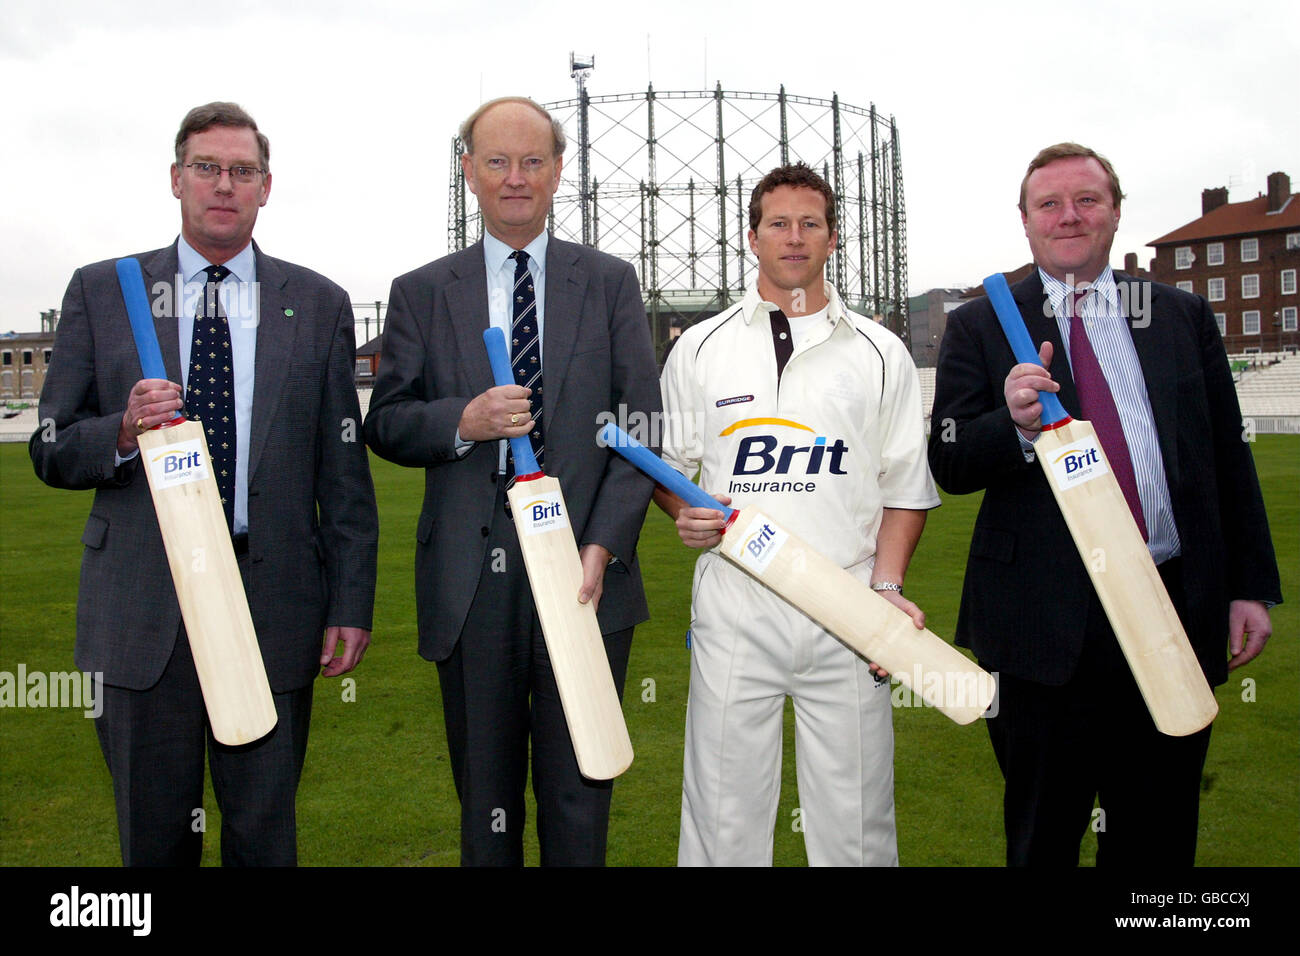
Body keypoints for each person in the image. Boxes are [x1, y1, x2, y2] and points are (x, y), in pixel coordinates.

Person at [29, 102, 378, 866]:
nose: (225, 185)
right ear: (177, 179)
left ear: (266, 186)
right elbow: (51, 447)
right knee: (153, 845)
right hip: (142, 610)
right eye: (208, 168)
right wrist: (120, 430)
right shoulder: (103, 291)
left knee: (263, 837)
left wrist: (350, 602)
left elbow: (343, 474)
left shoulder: (316, 303)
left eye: (242, 171)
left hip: (272, 606)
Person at [928, 143, 1282, 866]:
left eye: (1086, 200)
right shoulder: (980, 323)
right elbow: (952, 459)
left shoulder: (1179, 315)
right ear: (1025, 221)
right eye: (1049, 204)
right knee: (1041, 837)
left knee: (1156, 838)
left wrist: (1248, 586)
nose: (1069, 216)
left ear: (1115, 212)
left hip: (1170, 607)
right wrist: (1016, 425)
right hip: (1039, 627)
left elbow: (1226, 456)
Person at [364, 97, 661, 866]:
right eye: (496, 161)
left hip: (584, 573)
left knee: (580, 795)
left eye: (532, 161)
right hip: (473, 576)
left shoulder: (608, 282)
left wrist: (604, 544)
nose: (516, 177)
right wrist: (462, 421)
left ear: (559, 171)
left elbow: (641, 429)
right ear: (469, 173)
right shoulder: (424, 291)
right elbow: (387, 423)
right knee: (486, 808)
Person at [655, 163, 940, 866]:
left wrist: (887, 588)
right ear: (753, 237)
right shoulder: (699, 347)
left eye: (809, 223)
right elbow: (670, 474)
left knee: (856, 826)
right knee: (723, 820)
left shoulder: (882, 353)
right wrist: (680, 513)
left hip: (848, 606)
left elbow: (905, 486)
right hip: (736, 606)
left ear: (832, 238)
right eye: (778, 223)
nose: (794, 237)